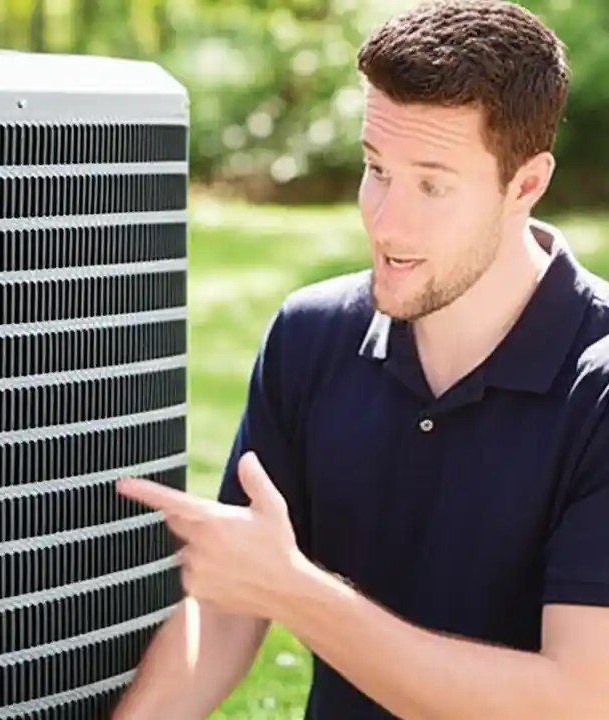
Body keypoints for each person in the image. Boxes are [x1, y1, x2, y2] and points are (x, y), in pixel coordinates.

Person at [113, 1, 609, 718]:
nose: (385, 219)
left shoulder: (596, 388)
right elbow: (226, 614)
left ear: (525, 185)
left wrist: (294, 592)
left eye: (433, 184)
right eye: (377, 168)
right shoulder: (309, 337)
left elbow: (576, 701)